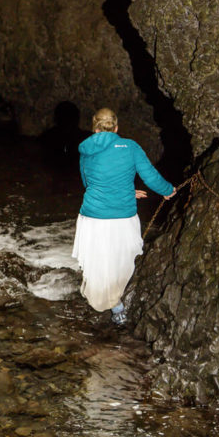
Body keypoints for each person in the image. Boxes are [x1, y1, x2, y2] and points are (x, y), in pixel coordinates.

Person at [72, 107, 174, 325]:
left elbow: (88, 182)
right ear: (116, 128)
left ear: (95, 127)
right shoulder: (130, 147)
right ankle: (116, 305)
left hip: (92, 216)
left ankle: (109, 300)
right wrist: (168, 191)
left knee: (100, 259)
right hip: (121, 216)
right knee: (121, 260)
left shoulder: (86, 149)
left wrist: (125, 190)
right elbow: (150, 176)